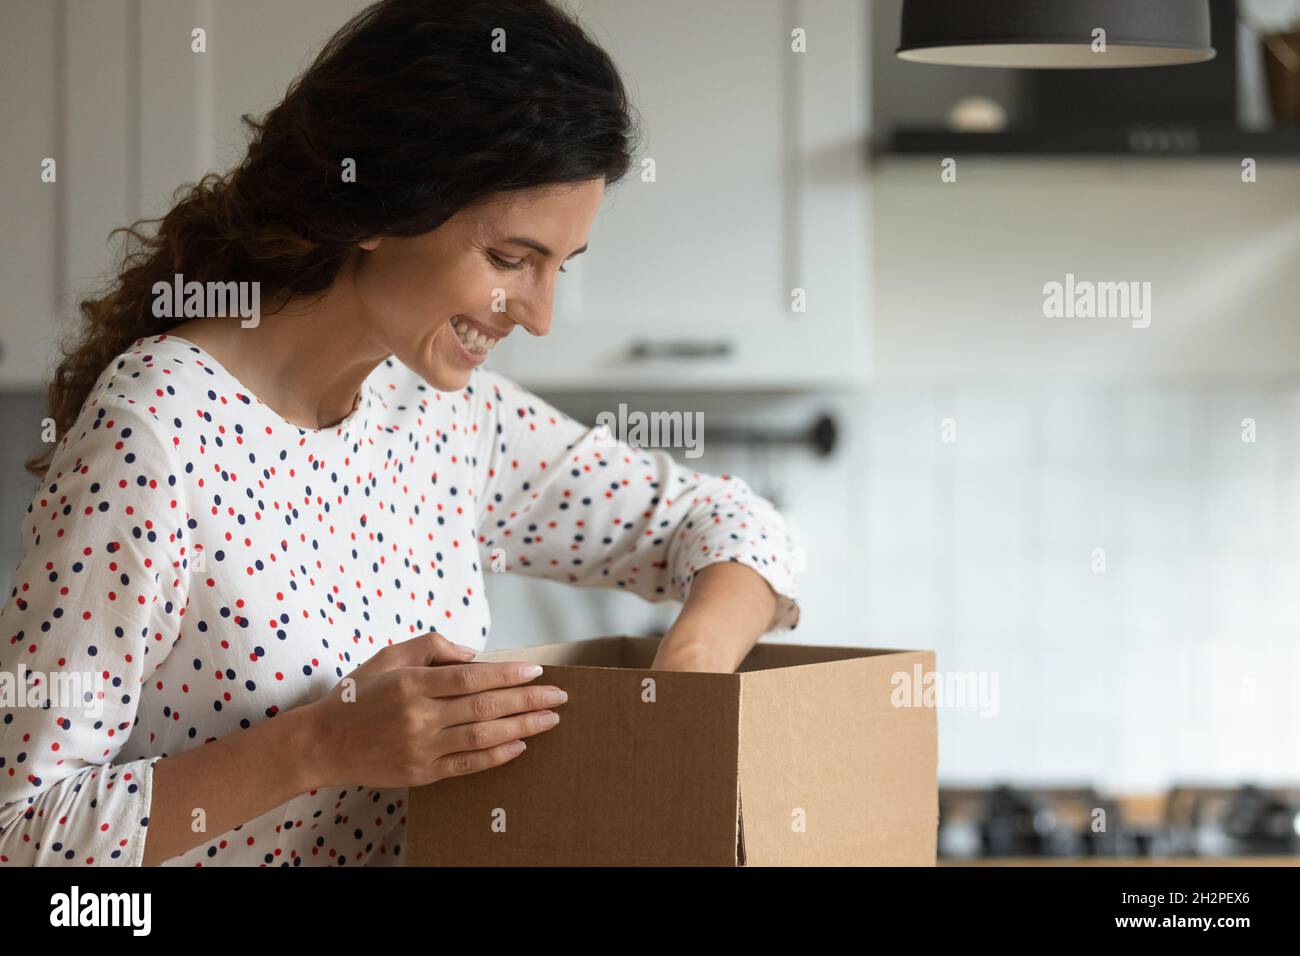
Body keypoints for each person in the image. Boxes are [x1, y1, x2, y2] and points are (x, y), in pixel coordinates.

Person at [0, 0, 801, 867]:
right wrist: (319, 745)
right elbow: (19, 837)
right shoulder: (154, 438)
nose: (538, 317)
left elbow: (735, 529)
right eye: (509, 260)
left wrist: (683, 688)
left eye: (558, 268)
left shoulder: (445, 413)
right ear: (377, 205)